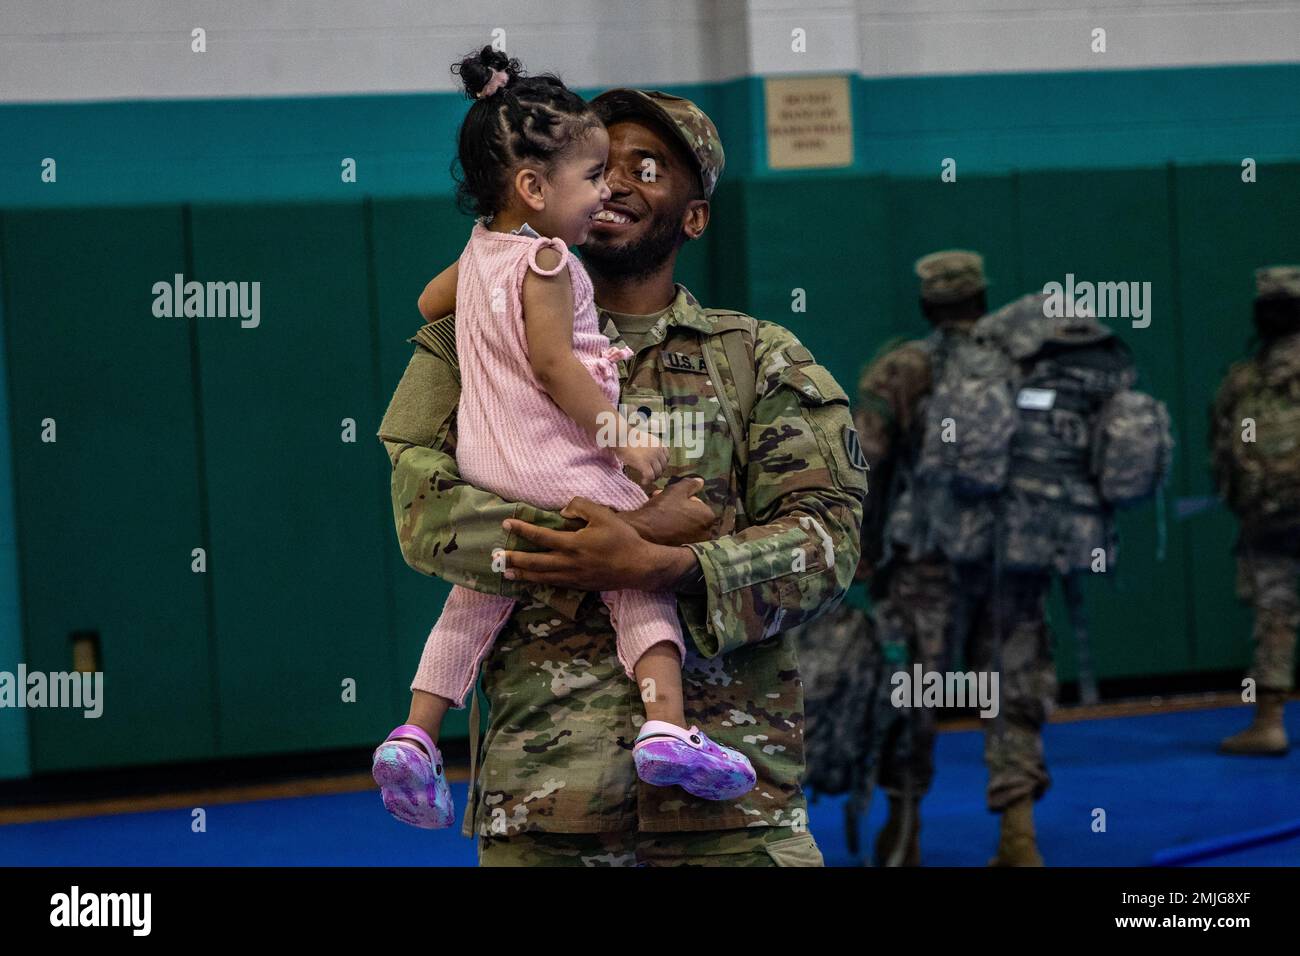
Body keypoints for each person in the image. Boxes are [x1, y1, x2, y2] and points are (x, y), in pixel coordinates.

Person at [376, 81, 867, 865]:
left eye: (648, 167)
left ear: (695, 214)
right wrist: (628, 535)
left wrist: (669, 566)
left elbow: (827, 545)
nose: (614, 183)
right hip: (545, 806)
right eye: (600, 161)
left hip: (735, 818)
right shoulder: (463, 339)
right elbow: (426, 520)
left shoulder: (761, 359)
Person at [856, 254, 1053, 867]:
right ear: (984, 299)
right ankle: (1019, 836)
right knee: (1011, 686)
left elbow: (864, 460)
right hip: (1010, 560)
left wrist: (865, 551)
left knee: (913, 690)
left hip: (927, 562)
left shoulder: (901, 368)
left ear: (926, 305)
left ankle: (905, 832)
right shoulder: (1025, 364)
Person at [1212, 265, 1300, 756]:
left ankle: (1269, 722)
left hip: (1268, 515)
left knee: (1274, 612)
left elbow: (1220, 450)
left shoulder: (1243, 379)